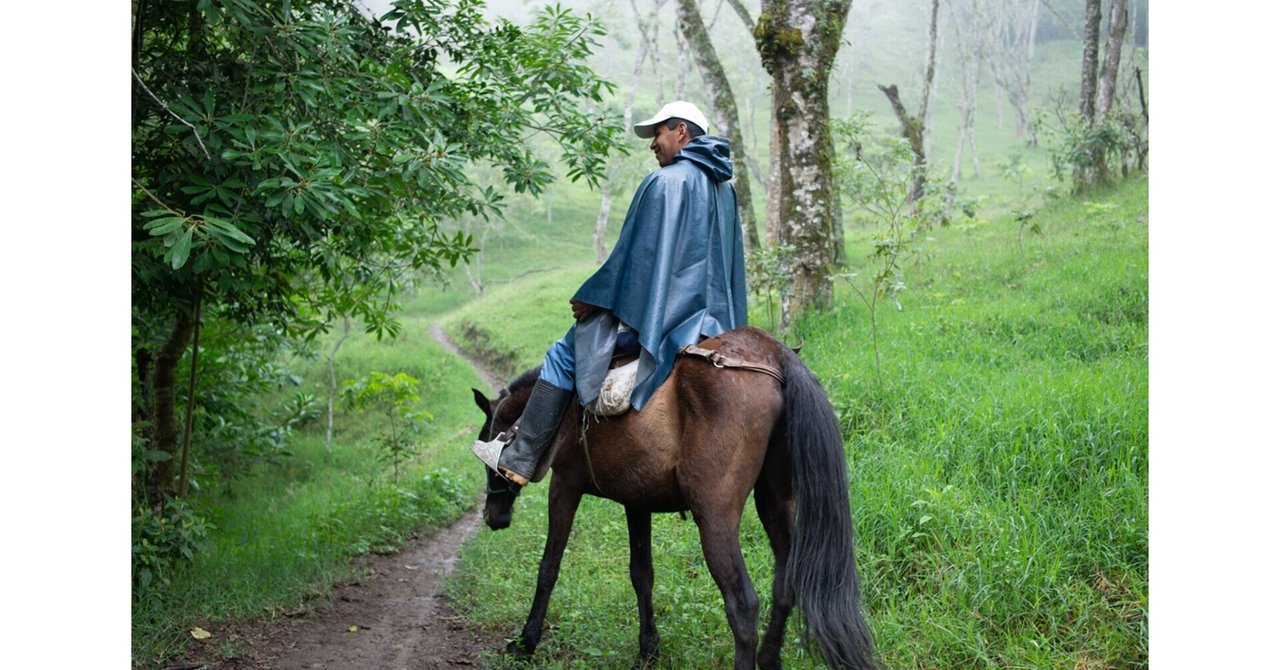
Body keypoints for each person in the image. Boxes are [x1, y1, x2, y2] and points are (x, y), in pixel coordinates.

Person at [471, 100, 748, 486]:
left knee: (563, 354)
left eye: (659, 133)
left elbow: (634, 259)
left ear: (681, 131)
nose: (653, 143)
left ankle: (520, 457)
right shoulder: (724, 191)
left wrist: (594, 298)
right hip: (717, 320)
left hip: (670, 320)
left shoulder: (663, 182)